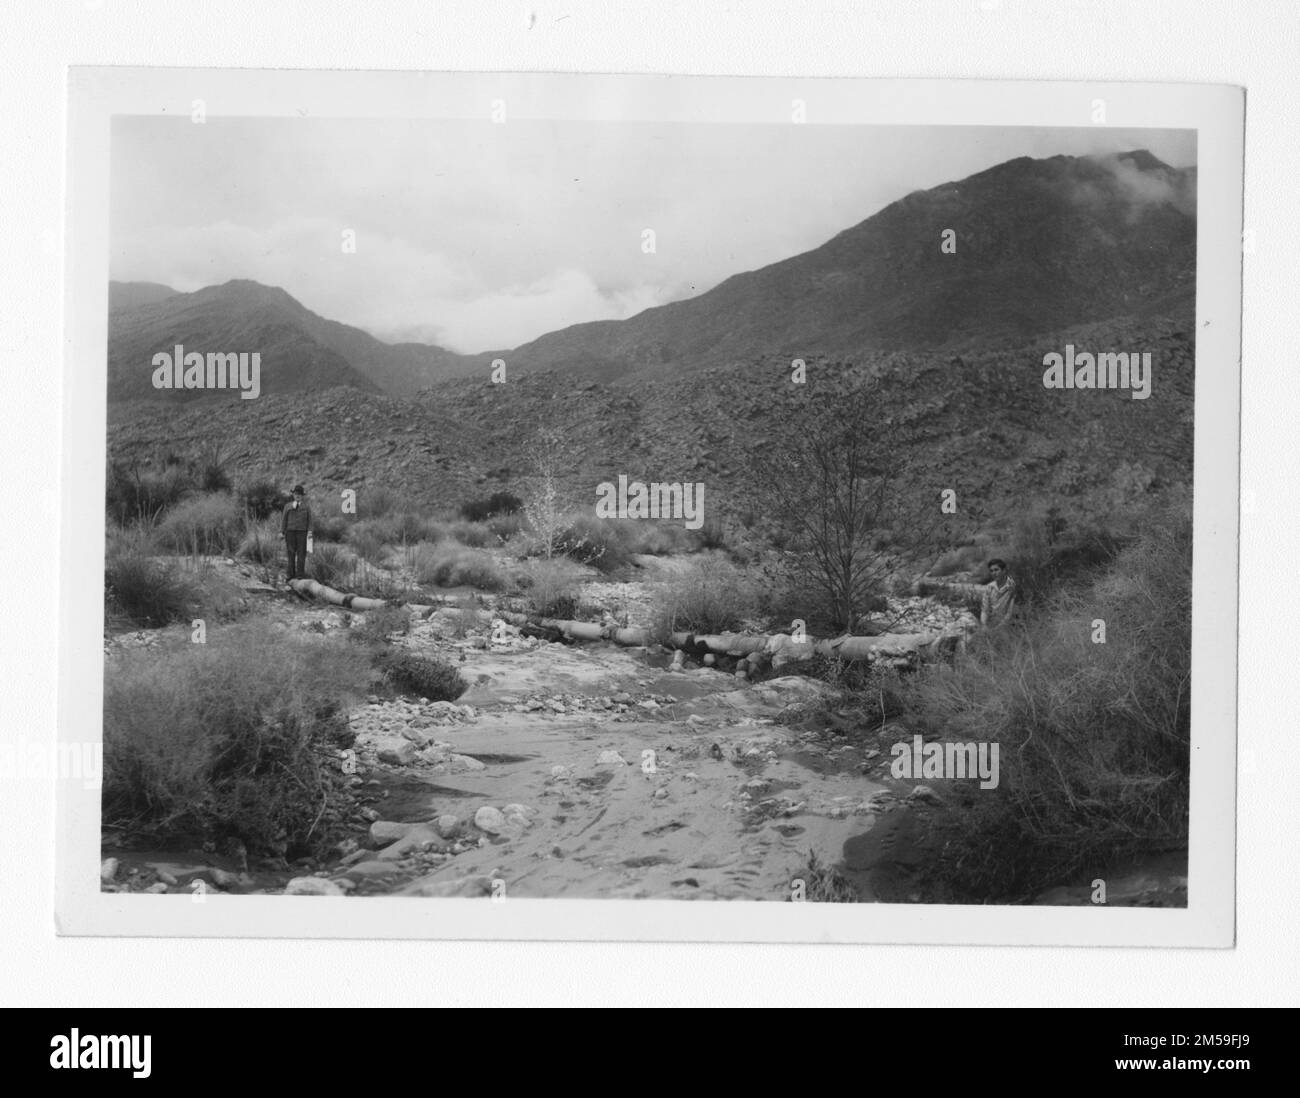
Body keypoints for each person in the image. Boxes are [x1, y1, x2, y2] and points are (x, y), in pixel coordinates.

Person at [282, 484, 313, 583]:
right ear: (293, 495)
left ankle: (300, 575)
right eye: (296, 494)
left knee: (301, 554)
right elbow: (284, 520)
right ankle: (290, 575)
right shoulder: (287, 506)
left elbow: (310, 521)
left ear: (302, 496)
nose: (297, 495)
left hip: (302, 533)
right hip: (290, 532)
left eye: (299, 494)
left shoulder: (307, 507)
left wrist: (310, 534)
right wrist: (281, 532)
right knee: (290, 553)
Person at [980, 558, 1018, 628]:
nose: (994, 573)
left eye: (996, 570)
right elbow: (985, 609)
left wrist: (997, 629)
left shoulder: (1012, 586)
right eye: (991, 571)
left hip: (1009, 624)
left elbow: (1010, 612)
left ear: (1004, 571)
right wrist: (984, 625)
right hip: (992, 622)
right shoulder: (989, 587)